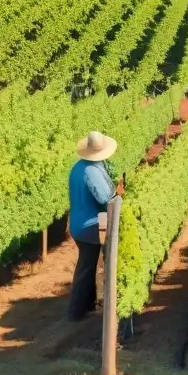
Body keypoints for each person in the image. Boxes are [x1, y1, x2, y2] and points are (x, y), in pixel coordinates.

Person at [67, 130, 123, 321]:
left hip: (78, 224)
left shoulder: (79, 166)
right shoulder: (91, 170)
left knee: (88, 263)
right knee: (88, 265)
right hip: (90, 225)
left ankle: (87, 304)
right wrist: (118, 193)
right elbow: (105, 198)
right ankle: (76, 311)